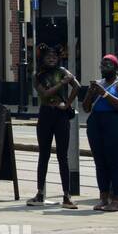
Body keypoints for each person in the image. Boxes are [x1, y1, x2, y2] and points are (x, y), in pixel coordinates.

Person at [82, 54, 118, 212]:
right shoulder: (98, 84)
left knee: (116, 164)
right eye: (102, 64)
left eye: (108, 64)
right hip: (96, 125)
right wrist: (91, 93)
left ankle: (117, 201)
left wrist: (104, 93)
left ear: (116, 67)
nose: (104, 67)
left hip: (115, 125)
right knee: (100, 164)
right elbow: (86, 107)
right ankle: (103, 198)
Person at [31, 44, 80, 208]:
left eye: (54, 56)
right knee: (43, 154)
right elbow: (44, 93)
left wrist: (68, 105)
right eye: (48, 56)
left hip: (61, 116)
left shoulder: (63, 71)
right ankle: (39, 193)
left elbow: (77, 86)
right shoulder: (37, 75)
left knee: (62, 156)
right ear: (42, 58)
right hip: (45, 114)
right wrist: (62, 84)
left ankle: (67, 195)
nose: (51, 59)